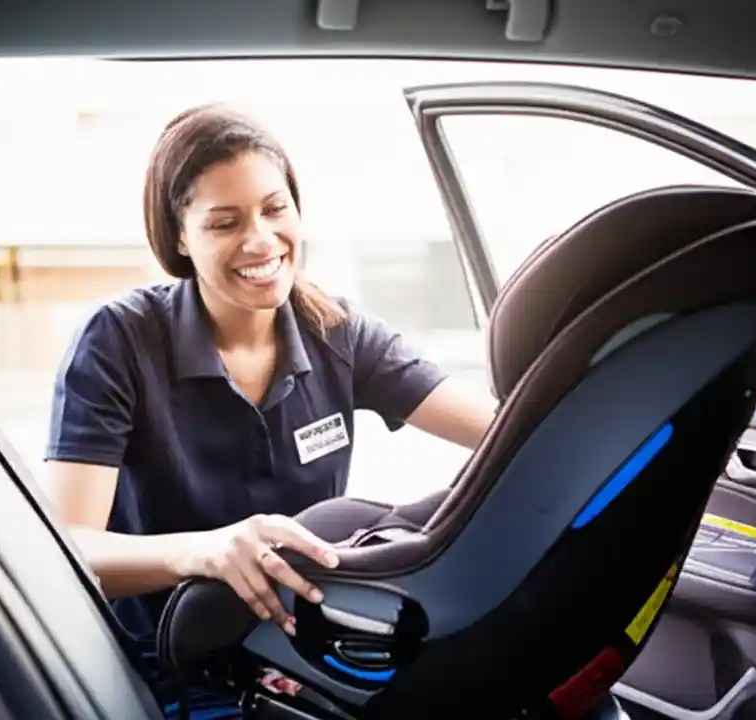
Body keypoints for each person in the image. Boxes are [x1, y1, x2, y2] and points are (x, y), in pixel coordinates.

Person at [43, 103, 498, 710]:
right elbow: (69, 548)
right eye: (225, 222)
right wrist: (204, 551)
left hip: (305, 662)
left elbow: (508, 436)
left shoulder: (338, 331)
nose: (260, 240)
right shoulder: (118, 340)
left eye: (274, 209)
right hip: (169, 676)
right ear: (180, 236)